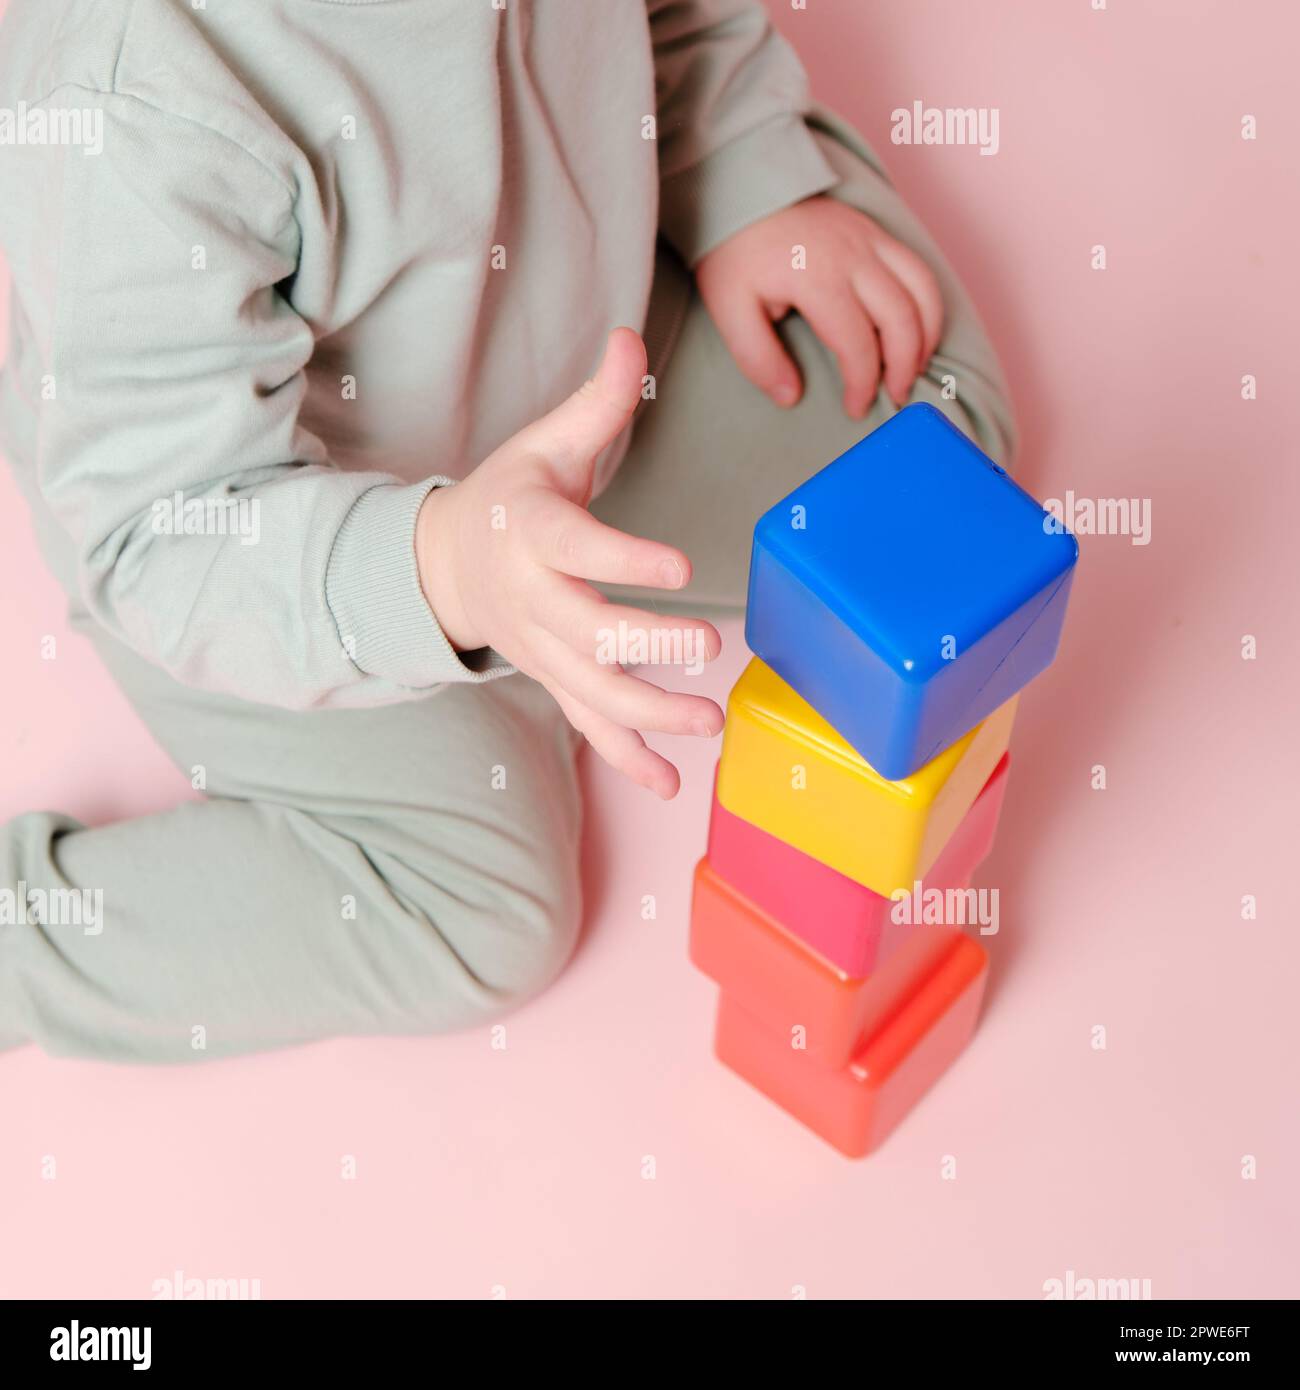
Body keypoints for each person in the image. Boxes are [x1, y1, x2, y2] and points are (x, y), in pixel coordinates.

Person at [0, 0, 1013, 1061]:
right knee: (485, 910)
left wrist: (746, 172)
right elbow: (165, 534)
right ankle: (30, 945)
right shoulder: (133, 94)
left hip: (582, 351)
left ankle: (540, 585)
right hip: (277, 531)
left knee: (942, 450)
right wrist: (445, 575)